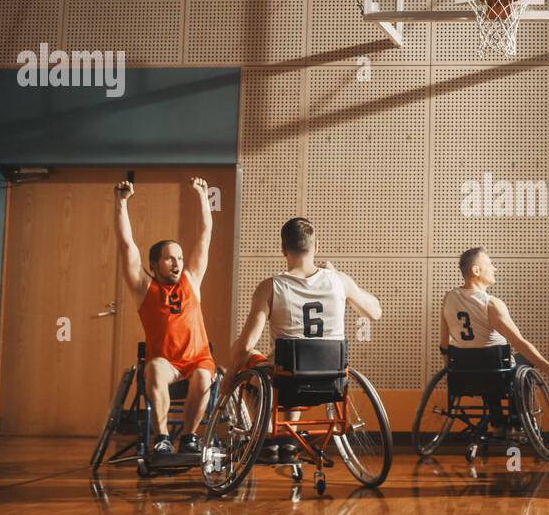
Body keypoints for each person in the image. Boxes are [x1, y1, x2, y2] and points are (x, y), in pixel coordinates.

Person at [229, 217, 382, 463]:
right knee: (292, 365)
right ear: (316, 246)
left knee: (255, 361)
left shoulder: (271, 287)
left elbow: (246, 345)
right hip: (332, 382)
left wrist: (227, 381)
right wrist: (345, 285)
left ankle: (268, 435)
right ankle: (288, 441)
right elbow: (375, 312)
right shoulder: (338, 280)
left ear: (282, 249)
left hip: (287, 383)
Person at [115, 178, 215, 456]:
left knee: (204, 378)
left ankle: (189, 437)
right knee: (154, 367)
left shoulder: (192, 280)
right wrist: (121, 203)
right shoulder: (144, 288)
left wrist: (202, 196)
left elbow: (205, 234)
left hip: (197, 360)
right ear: (154, 264)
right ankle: (161, 438)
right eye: (170, 258)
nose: (177, 263)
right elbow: (126, 246)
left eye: (180, 258)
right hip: (166, 363)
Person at [440, 247, 549, 434]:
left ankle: (497, 422)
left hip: (463, 375)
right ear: (476, 271)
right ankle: (517, 421)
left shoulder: (448, 298)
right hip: (497, 375)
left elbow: (444, 345)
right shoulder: (491, 304)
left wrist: (454, 370)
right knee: (521, 361)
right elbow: (520, 343)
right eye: (489, 264)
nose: (494, 268)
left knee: (487, 364)